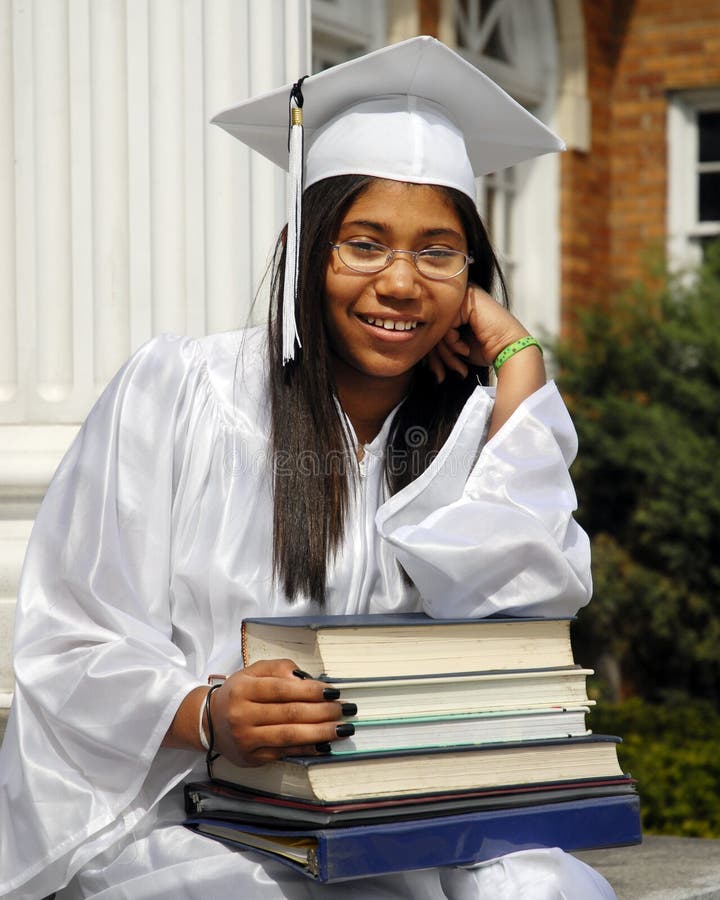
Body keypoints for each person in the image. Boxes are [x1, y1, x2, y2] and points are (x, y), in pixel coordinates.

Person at [0, 36, 616, 899]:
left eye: (439, 252)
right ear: (305, 247)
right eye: (364, 244)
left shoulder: (476, 428)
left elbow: (528, 608)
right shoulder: (182, 392)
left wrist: (519, 362)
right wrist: (206, 713)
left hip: (406, 820)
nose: (400, 282)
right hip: (189, 809)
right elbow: (71, 639)